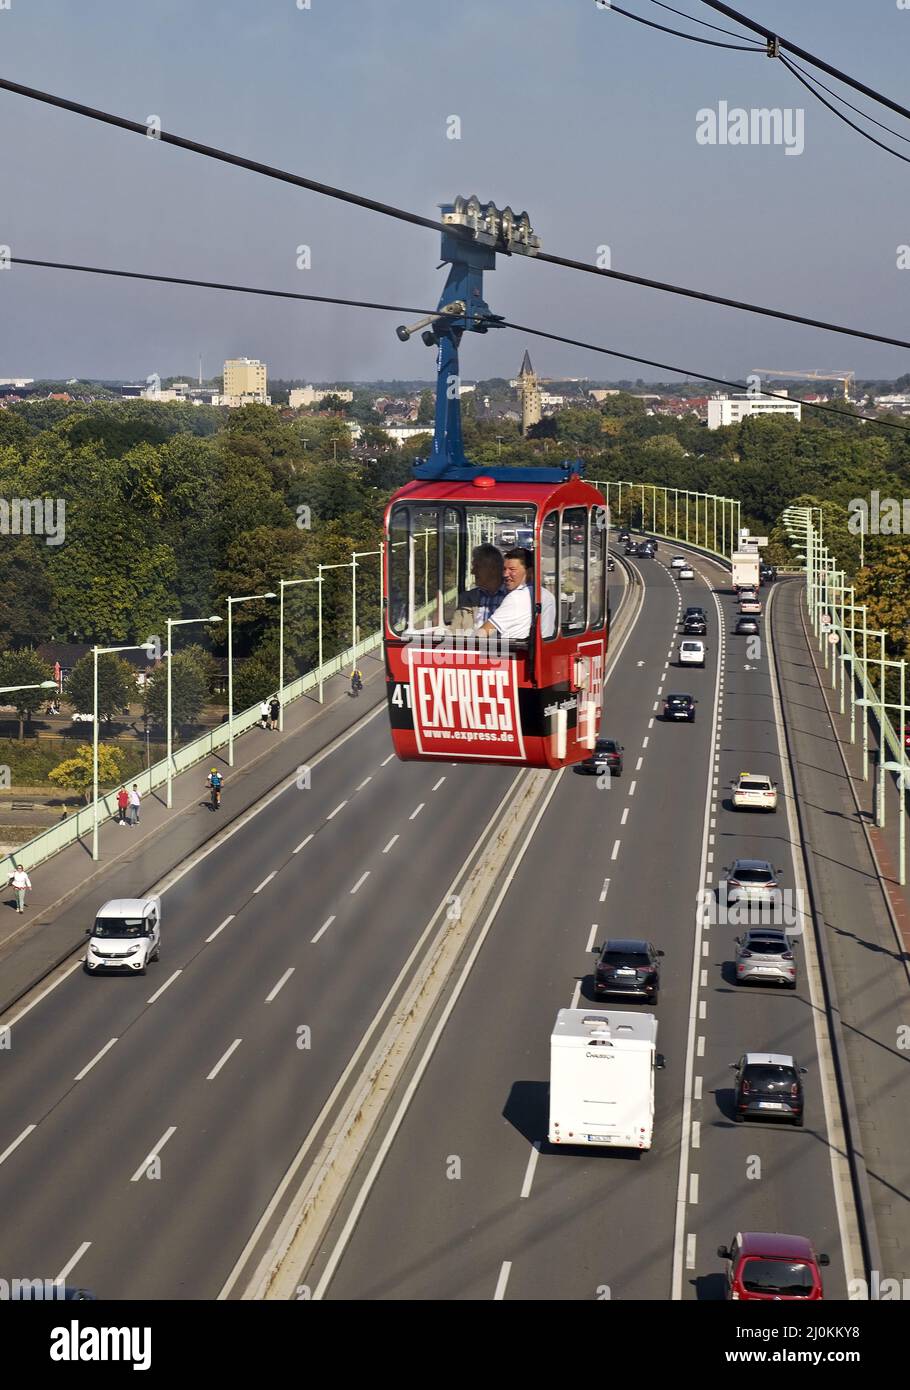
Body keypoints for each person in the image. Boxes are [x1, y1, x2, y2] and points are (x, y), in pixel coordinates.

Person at [476, 548, 557, 643]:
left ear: (529, 572)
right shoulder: (548, 595)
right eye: (504, 569)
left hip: (513, 654)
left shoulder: (517, 597)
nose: (505, 574)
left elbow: (482, 633)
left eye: (512, 569)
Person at [452, 544, 506, 631]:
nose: (473, 572)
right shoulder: (466, 598)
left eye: (477, 567)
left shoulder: (511, 598)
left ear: (493, 568)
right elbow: (454, 633)